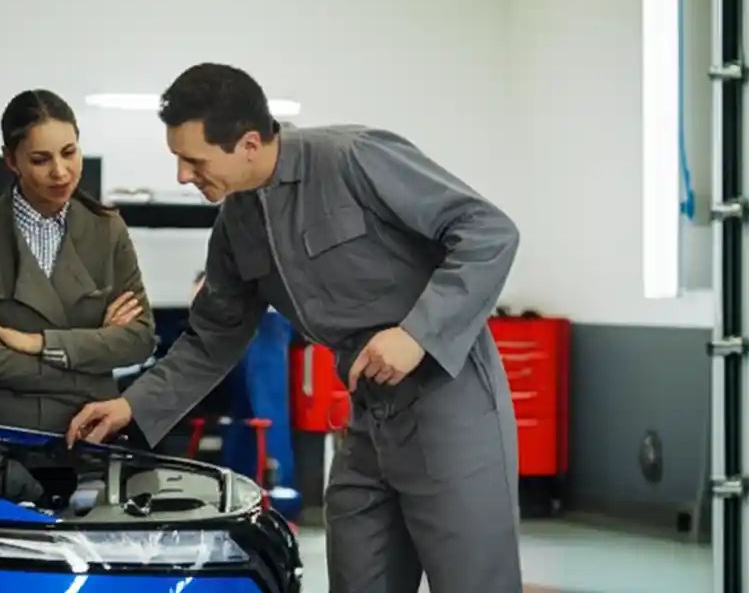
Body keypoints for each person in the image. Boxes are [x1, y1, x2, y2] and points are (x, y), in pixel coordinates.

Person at [67, 63, 523, 592]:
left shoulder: (355, 158)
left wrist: (417, 333)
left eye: (194, 160)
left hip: (450, 404)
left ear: (249, 143)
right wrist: (132, 405)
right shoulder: (237, 224)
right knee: (358, 576)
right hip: (366, 414)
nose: (183, 176)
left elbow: (489, 231)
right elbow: (214, 337)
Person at [0, 89, 157, 433]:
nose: (60, 172)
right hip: (0, 429)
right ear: (11, 160)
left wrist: (41, 345)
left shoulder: (108, 231)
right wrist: (93, 356)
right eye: (40, 159)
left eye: (69, 153)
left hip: (90, 428)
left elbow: (139, 339)